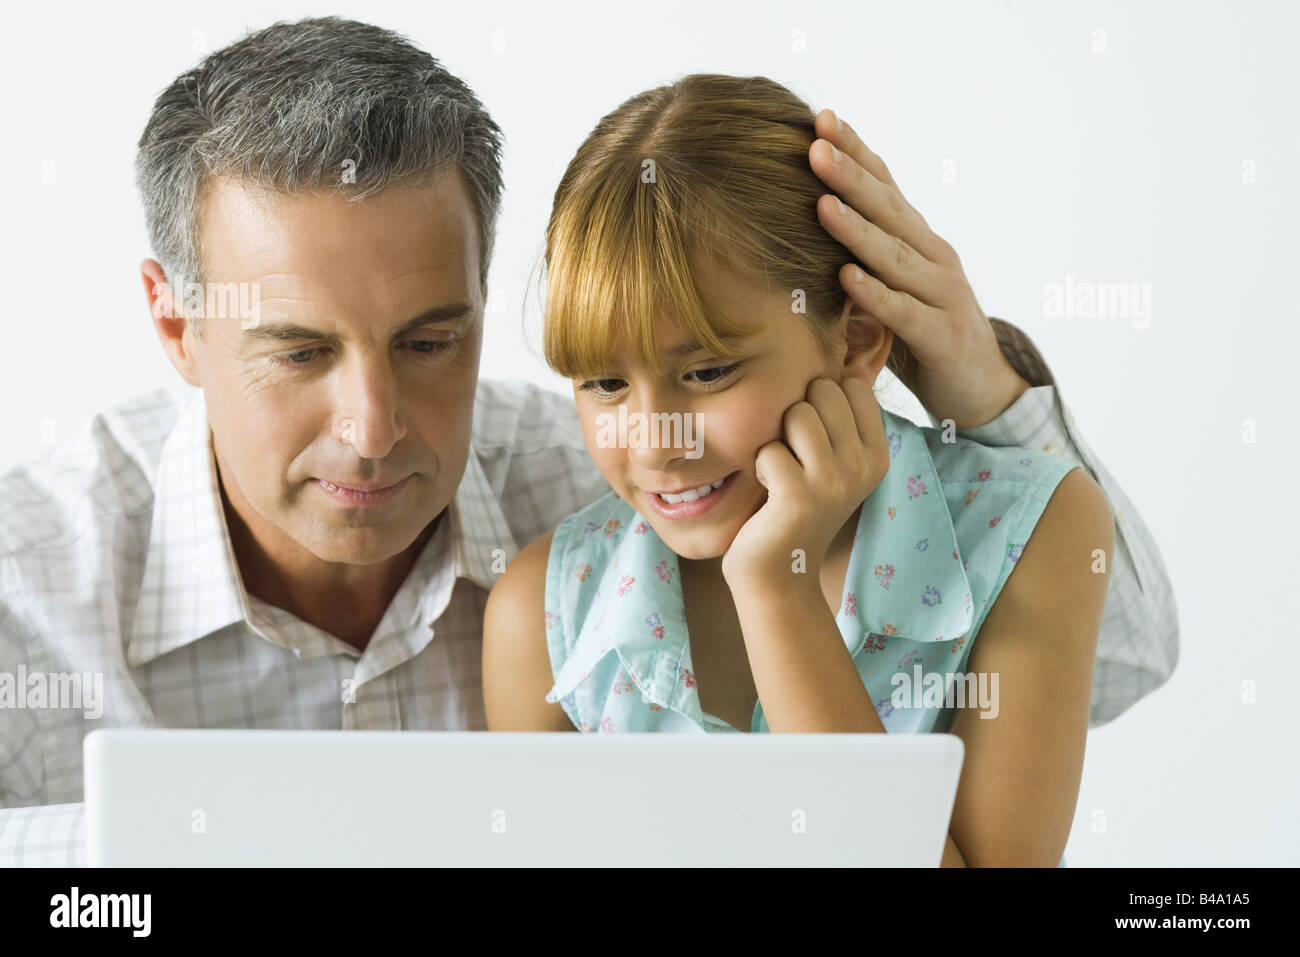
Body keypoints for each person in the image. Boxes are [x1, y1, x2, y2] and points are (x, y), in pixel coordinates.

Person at [0, 19, 1175, 867]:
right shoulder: (25, 589)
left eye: (430, 341)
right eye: (299, 352)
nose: (372, 431)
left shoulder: (632, 495)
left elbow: (1123, 658)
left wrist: (981, 387)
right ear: (176, 324)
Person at [482, 74, 1129, 867]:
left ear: (857, 340)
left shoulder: (1033, 530)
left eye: (709, 371)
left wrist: (777, 590)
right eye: (604, 383)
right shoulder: (547, 612)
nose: (653, 445)